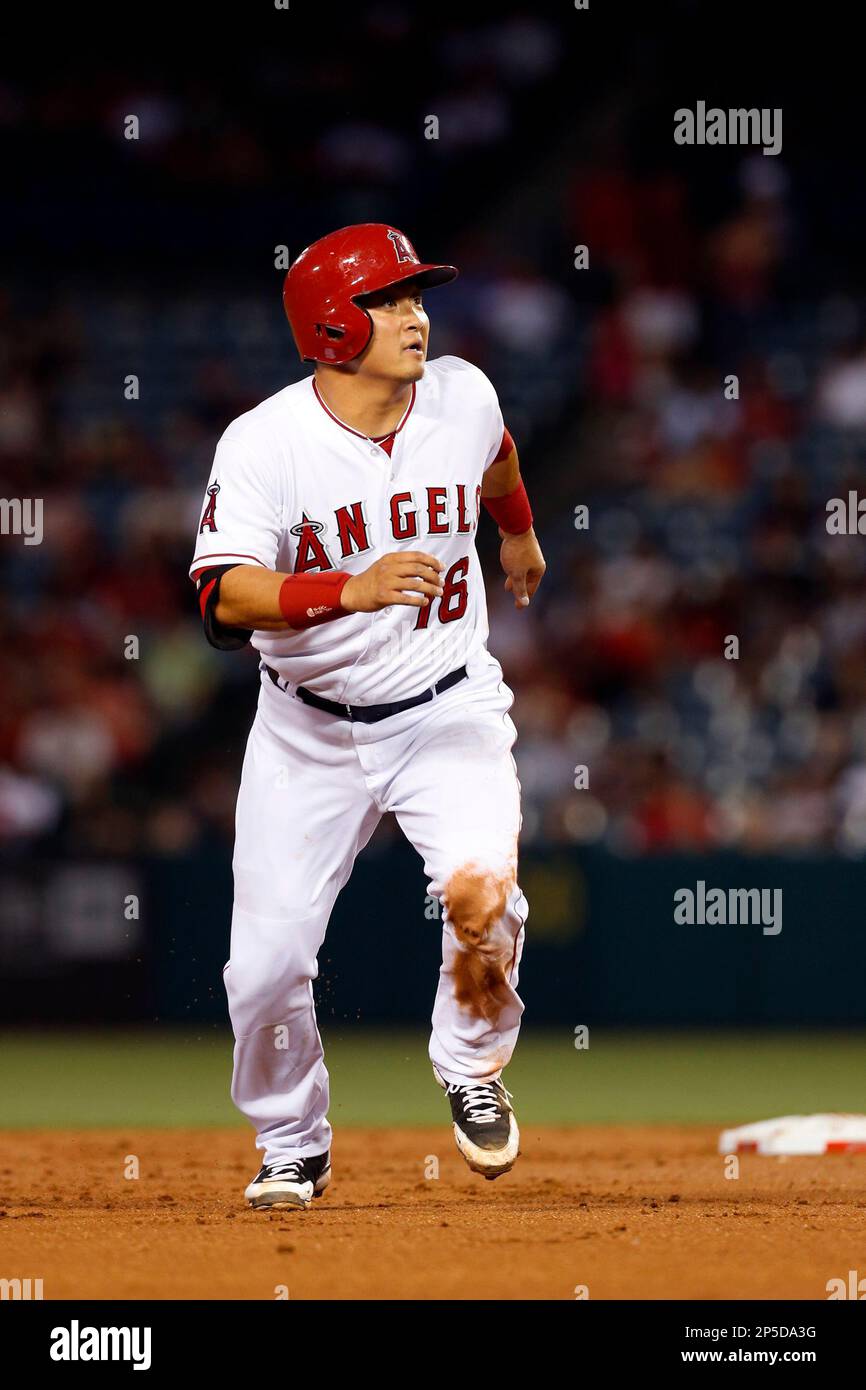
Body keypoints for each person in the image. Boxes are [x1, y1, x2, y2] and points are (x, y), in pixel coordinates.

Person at [190, 224, 546, 1210]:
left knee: (486, 901)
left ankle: (471, 1062)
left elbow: (497, 454)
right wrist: (344, 590)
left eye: (414, 296)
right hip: (306, 732)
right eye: (388, 300)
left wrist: (515, 536)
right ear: (330, 325)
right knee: (262, 966)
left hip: (446, 710)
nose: (413, 316)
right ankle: (291, 1142)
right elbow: (219, 600)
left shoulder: (462, 393)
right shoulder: (266, 441)